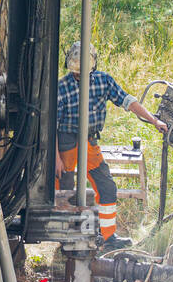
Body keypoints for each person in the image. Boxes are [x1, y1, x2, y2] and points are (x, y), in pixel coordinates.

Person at [55, 41, 165, 248]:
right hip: (66, 141)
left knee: (107, 187)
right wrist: (56, 158)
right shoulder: (62, 86)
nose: (79, 77)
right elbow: (52, 124)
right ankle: (65, 239)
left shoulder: (103, 81)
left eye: (83, 73)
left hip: (89, 141)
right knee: (64, 190)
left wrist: (155, 120)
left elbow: (128, 101)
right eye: (76, 74)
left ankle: (108, 237)